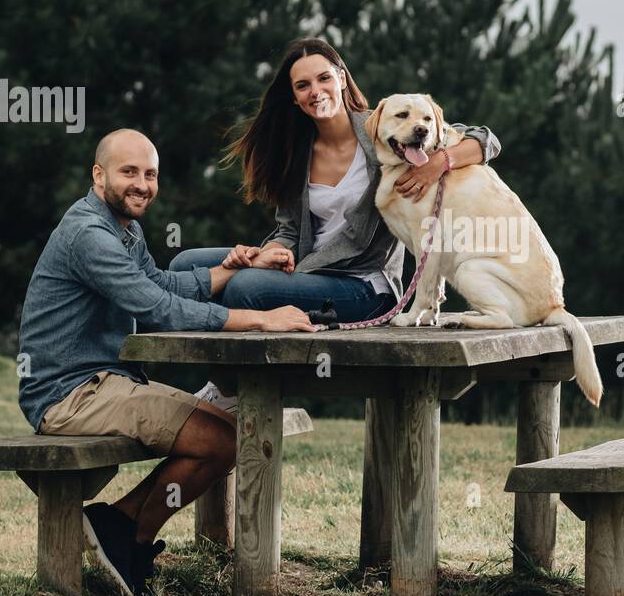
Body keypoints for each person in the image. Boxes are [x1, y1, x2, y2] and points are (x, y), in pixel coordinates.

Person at [17, 128, 315, 596]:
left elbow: (161, 284)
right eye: (129, 172)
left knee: (227, 430)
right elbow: (155, 308)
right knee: (222, 440)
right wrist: (258, 319)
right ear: (99, 175)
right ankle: (122, 530)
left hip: (105, 384)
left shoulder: (124, 228)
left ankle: (121, 528)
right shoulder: (88, 234)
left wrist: (237, 267)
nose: (142, 184)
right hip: (70, 395)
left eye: (150, 174)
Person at [171, 38, 502, 407]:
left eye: (323, 78)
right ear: (294, 97)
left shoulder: (385, 131)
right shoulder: (296, 150)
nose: (316, 91)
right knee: (183, 266)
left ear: (342, 78)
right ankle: (227, 386)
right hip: (305, 269)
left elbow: (486, 141)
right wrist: (269, 252)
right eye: (303, 85)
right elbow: (290, 231)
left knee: (244, 288)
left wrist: (438, 164)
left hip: (364, 286)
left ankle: (234, 390)